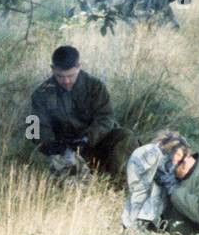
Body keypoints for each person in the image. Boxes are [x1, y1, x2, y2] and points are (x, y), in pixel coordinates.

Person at [29, 45, 139, 184]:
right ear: (53, 69)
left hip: (95, 143)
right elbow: (33, 129)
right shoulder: (41, 93)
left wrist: (87, 138)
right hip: (62, 149)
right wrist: (51, 144)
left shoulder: (95, 87)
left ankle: (118, 185)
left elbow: (106, 118)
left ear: (79, 66)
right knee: (64, 175)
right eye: (60, 76)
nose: (66, 81)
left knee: (125, 136)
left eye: (70, 75)